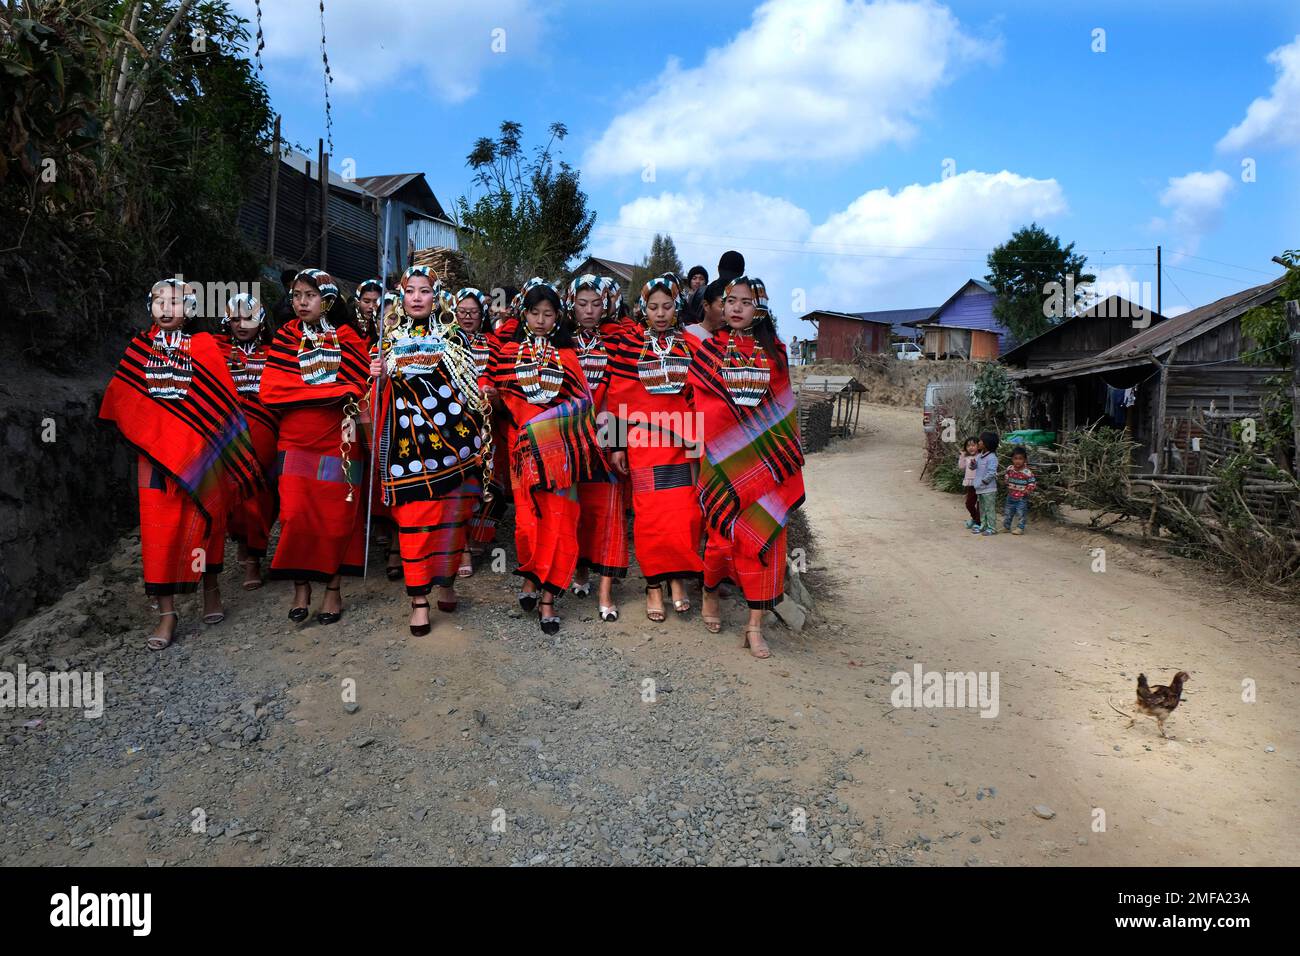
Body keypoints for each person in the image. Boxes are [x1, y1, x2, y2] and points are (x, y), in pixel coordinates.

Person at [99, 279, 264, 650]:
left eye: (177, 302)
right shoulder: (139, 349)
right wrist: (160, 434)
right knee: (160, 533)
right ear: (150, 306)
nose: (168, 308)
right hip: (156, 457)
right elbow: (122, 397)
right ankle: (167, 613)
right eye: (160, 301)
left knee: (207, 522)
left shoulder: (204, 347)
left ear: (190, 310)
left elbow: (222, 405)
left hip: (202, 455)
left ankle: (211, 589)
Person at [689, 276, 805, 659]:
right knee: (721, 539)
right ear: (721, 306)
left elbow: (784, 409)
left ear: (760, 309)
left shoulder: (776, 353)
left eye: (746, 302)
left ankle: (754, 626)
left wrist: (775, 452)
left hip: (766, 466)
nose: (737, 308)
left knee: (765, 542)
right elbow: (702, 406)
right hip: (723, 462)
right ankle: (709, 592)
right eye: (731, 301)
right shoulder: (708, 352)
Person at [370, 267, 489, 636]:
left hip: (453, 446)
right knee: (414, 524)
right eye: (410, 291)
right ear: (402, 298)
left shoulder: (454, 335)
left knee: (451, 522)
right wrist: (379, 376)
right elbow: (374, 399)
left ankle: (448, 582)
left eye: (425, 291)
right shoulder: (387, 340)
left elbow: (469, 389)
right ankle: (419, 600)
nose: (417, 297)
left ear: (436, 296)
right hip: (408, 451)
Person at [487, 279, 606, 633]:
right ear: (524, 315)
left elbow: (584, 403)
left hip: (560, 454)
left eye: (548, 314)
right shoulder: (506, 353)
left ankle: (549, 597)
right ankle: (530, 580)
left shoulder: (568, 356)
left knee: (560, 521)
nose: (541, 320)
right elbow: (492, 392)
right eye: (535, 313)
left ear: (558, 318)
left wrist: (548, 425)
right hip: (522, 452)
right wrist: (493, 397)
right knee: (527, 523)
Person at [260, 269, 371, 624]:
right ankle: (301, 587)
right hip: (296, 440)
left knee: (336, 518)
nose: (301, 302)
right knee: (295, 515)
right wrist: (333, 392)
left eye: (309, 295)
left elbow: (360, 387)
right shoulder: (285, 338)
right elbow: (272, 390)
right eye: (296, 295)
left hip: (341, 439)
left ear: (327, 300)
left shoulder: (349, 338)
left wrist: (345, 390)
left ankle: (333, 588)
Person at [607, 274, 703, 621]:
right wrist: (616, 444)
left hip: (682, 441)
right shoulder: (629, 346)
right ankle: (652, 583)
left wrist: (699, 438)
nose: (660, 313)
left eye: (666, 306)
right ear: (642, 309)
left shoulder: (690, 343)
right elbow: (616, 395)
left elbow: (700, 393)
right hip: (642, 443)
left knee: (684, 514)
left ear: (676, 307)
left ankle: (677, 579)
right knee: (649, 517)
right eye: (653, 307)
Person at [566, 274, 630, 621]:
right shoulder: (562, 341)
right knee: (577, 511)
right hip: (573, 436)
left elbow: (620, 394)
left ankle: (605, 589)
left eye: (596, 303)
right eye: (582, 303)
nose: (589, 310)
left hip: (607, 436)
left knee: (608, 512)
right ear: (571, 305)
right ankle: (580, 572)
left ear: (607, 303)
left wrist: (619, 442)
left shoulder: (618, 340)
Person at [221, 293, 280, 589]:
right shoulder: (215, 351)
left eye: (249, 318)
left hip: (266, 432)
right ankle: (241, 540)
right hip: (227, 433)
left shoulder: (275, 352)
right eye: (235, 318)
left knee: (261, 493)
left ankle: (255, 557)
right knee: (233, 495)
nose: (242, 325)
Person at [1002, 445, 1037, 535]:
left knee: (1021, 513)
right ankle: (1006, 527)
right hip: (1011, 495)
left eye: (1020, 458)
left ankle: (1020, 528)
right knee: (1008, 512)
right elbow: (1007, 476)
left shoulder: (1027, 472)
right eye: (1015, 458)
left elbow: (1032, 483)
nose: (1017, 461)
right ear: (1012, 459)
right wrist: (1006, 481)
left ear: (1025, 460)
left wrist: (1027, 490)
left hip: (1021, 497)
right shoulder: (1010, 469)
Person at [972, 431, 1000, 536]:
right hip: (980, 488)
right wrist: (973, 465)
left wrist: (983, 482)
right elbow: (976, 468)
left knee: (990, 509)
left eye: (980, 441)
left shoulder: (992, 457)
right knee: (982, 509)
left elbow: (992, 472)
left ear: (986, 443)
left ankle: (992, 528)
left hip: (989, 489)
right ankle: (983, 526)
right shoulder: (980, 456)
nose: (978, 443)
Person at [956, 436, 980, 530]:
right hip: (970, 484)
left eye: (973, 445)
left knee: (979, 505)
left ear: (979, 446)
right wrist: (962, 456)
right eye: (968, 446)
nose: (971, 447)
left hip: (980, 483)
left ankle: (978, 522)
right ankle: (975, 518)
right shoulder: (967, 457)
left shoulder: (980, 456)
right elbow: (961, 467)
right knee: (969, 504)